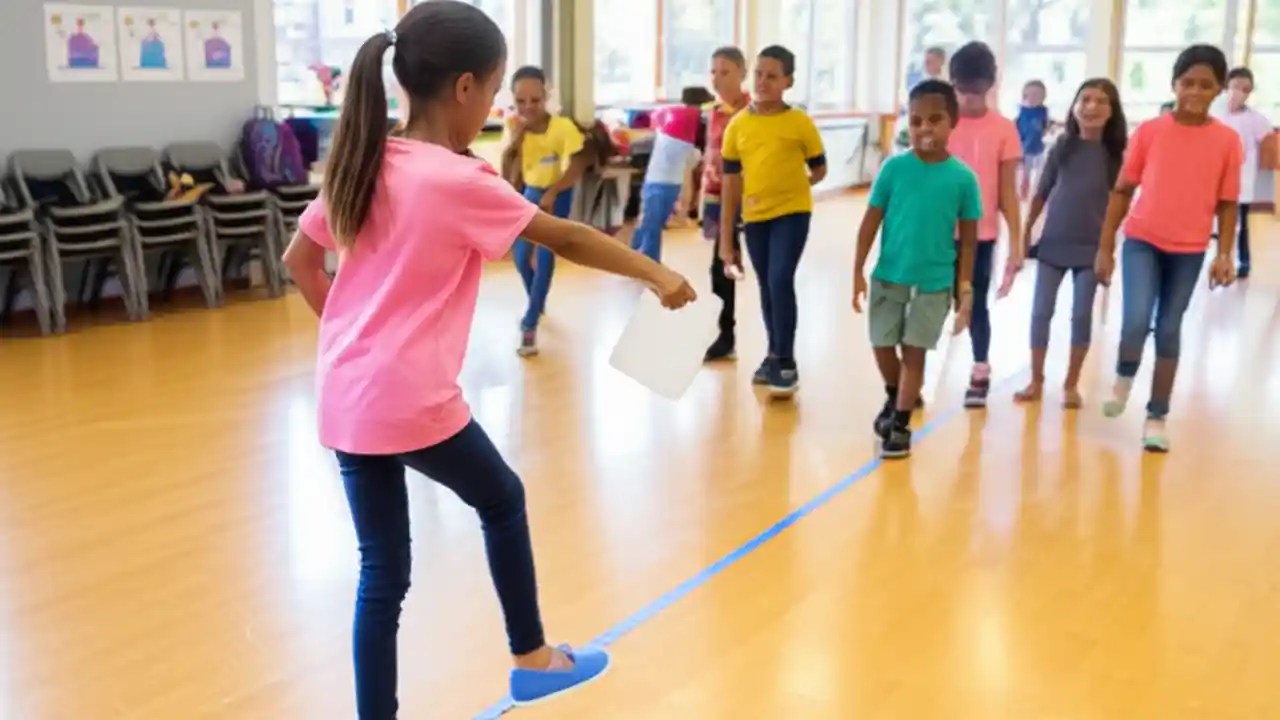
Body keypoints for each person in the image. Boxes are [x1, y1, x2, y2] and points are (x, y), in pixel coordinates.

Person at [279, 3, 696, 716]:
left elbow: (301, 260)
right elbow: (562, 236)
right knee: (501, 500)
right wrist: (655, 274)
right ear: (465, 87)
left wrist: (353, 344)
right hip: (411, 401)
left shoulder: (365, 156)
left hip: (348, 397)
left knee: (381, 573)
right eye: (498, 89)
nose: (499, 106)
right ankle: (532, 659)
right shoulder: (456, 179)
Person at [1095, 44, 1241, 452]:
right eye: (1187, 83)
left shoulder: (1227, 141)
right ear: (1174, 84)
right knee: (1137, 318)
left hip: (1190, 248)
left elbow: (1228, 203)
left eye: (1205, 85)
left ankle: (1157, 415)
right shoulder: (1150, 131)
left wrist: (1225, 253)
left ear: (1218, 90)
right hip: (1143, 240)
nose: (1195, 91)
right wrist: (1106, 248)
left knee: (1170, 328)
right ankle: (1124, 376)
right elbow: (1122, 191)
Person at [853, 80, 979, 459]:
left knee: (915, 351)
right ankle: (896, 396)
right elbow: (870, 222)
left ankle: (902, 423)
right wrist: (857, 270)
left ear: (952, 122)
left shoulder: (963, 179)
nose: (926, 129)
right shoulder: (894, 169)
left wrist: (965, 287)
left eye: (935, 120)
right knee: (881, 343)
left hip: (934, 282)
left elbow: (969, 240)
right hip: (889, 276)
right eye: (918, 120)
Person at [719, 45, 827, 398]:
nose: (763, 82)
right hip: (755, 218)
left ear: (788, 82)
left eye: (773, 76)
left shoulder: (800, 123)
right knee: (767, 284)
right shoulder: (737, 127)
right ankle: (772, 353)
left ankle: (786, 360)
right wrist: (725, 240)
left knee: (781, 278)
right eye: (759, 75)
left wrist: (796, 188)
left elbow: (819, 168)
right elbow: (730, 187)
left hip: (793, 213)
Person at [1015, 78, 1127, 408]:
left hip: (1090, 249)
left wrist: (1108, 250)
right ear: (1075, 106)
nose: (1091, 107)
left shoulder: (1115, 156)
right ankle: (1035, 380)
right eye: (1085, 99)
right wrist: (1025, 233)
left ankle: (1071, 383)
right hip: (1053, 244)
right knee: (1040, 312)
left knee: (1080, 315)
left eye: (1101, 101)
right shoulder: (1061, 147)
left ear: (1112, 111)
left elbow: (1120, 205)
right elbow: (1041, 193)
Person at [946, 41, 1023, 408]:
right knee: (935, 299)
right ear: (952, 83)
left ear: (991, 84)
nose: (971, 99)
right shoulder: (943, 123)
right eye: (963, 90)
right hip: (939, 232)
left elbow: (1008, 192)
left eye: (978, 91)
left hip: (982, 235)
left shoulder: (1004, 129)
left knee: (974, 301)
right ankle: (917, 371)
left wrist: (1018, 243)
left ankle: (980, 367)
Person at [502, 65, 590, 357]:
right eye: (521, 101)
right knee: (519, 254)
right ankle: (536, 303)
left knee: (544, 253)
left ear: (546, 96)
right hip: (530, 193)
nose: (528, 107)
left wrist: (553, 193)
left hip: (557, 194)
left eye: (535, 101)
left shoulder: (562, 128)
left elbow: (577, 164)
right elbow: (510, 165)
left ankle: (530, 323)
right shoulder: (516, 126)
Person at [702, 46, 750, 362]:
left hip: (746, 197)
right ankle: (725, 332)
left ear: (742, 74)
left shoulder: (751, 111)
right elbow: (710, 155)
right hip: (716, 196)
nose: (718, 79)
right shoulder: (715, 112)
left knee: (729, 262)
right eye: (714, 72)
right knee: (721, 267)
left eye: (726, 72)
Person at [1212, 67, 1271, 278]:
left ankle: (1243, 261)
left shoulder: (1256, 120)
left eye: (1245, 89)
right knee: (1214, 221)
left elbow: (1269, 143)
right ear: (1227, 86)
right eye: (1236, 86)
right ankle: (1216, 257)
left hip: (1242, 179)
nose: (1239, 92)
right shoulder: (1215, 114)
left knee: (1241, 224)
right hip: (1214, 175)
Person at [630, 95, 702, 262]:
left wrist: (684, 205)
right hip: (665, 184)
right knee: (649, 224)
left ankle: (646, 261)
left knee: (649, 224)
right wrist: (684, 205)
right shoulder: (689, 147)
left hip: (659, 183)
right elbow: (688, 174)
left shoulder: (670, 133)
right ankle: (639, 257)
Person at [1016, 80, 1051, 201]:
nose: (1034, 98)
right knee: (1026, 172)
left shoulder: (1043, 110)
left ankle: (1037, 193)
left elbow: (1045, 125)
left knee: (1040, 172)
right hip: (1025, 147)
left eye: (1038, 95)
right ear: (1025, 95)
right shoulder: (1022, 110)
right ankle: (1023, 191)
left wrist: (1047, 129)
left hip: (1039, 146)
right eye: (1031, 94)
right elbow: (1018, 127)